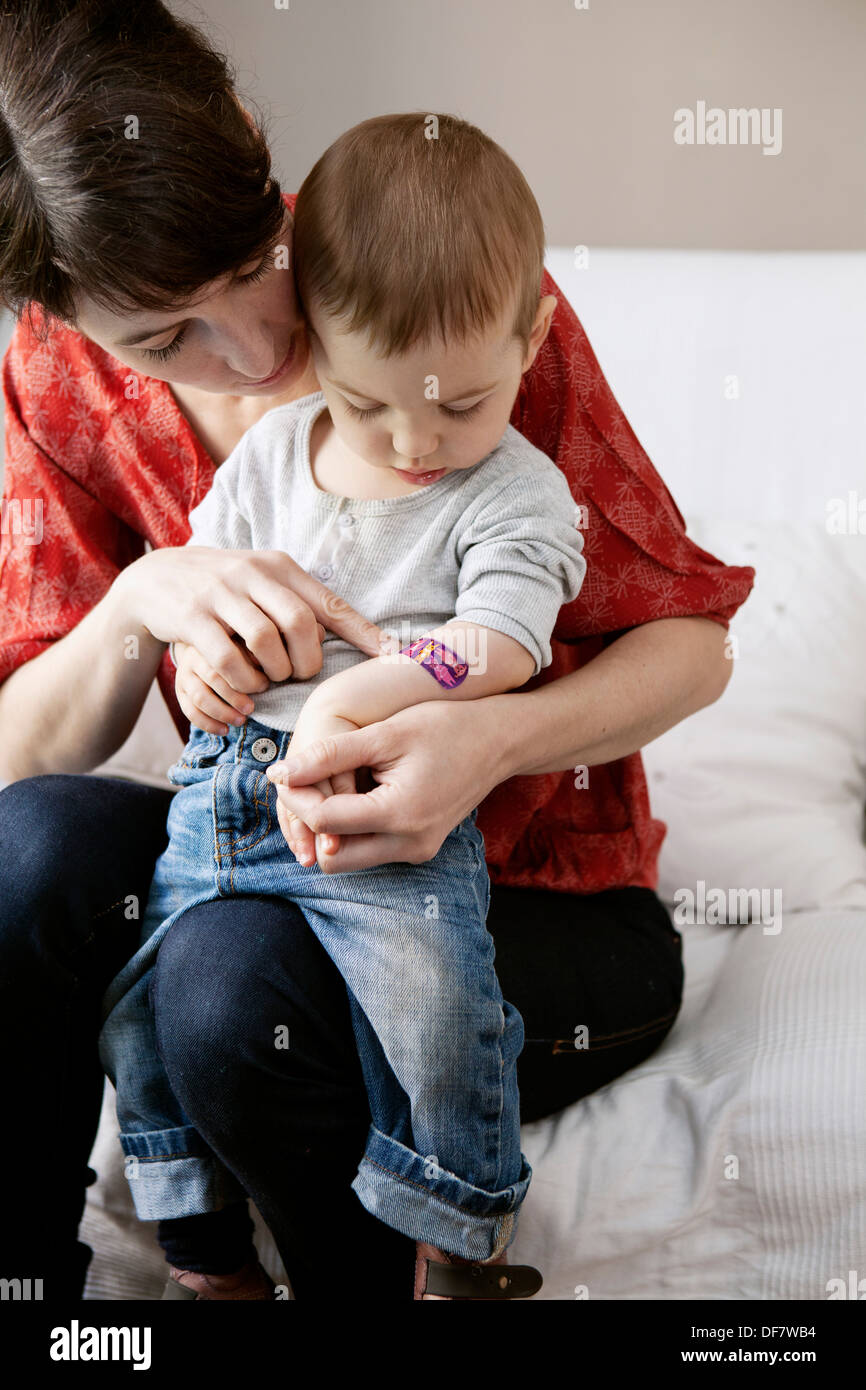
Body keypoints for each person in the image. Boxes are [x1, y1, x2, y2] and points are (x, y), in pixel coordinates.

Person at [0, 0, 754, 1302]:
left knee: (227, 982)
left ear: (246, 135)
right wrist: (143, 599)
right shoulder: (61, 379)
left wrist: (483, 734)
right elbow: (19, 752)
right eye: (163, 335)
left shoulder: (438, 297)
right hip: (254, 845)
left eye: (250, 265)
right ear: (63, 319)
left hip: (541, 906)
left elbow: (691, 646)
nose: (248, 353)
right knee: (35, 852)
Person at [98, 112, 587, 1302]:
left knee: (433, 1000)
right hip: (225, 795)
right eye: (371, 406)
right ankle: (202, 1248)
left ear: (533, 333)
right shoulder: (271, 453)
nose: (418, 440)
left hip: (378, 811)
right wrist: (205, 666)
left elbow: (502, 643)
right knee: (137, 1003)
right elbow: (201, 608)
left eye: (462, 404)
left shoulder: (517, 489)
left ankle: (465, 1230)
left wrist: (364, 692)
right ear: (317, 346)